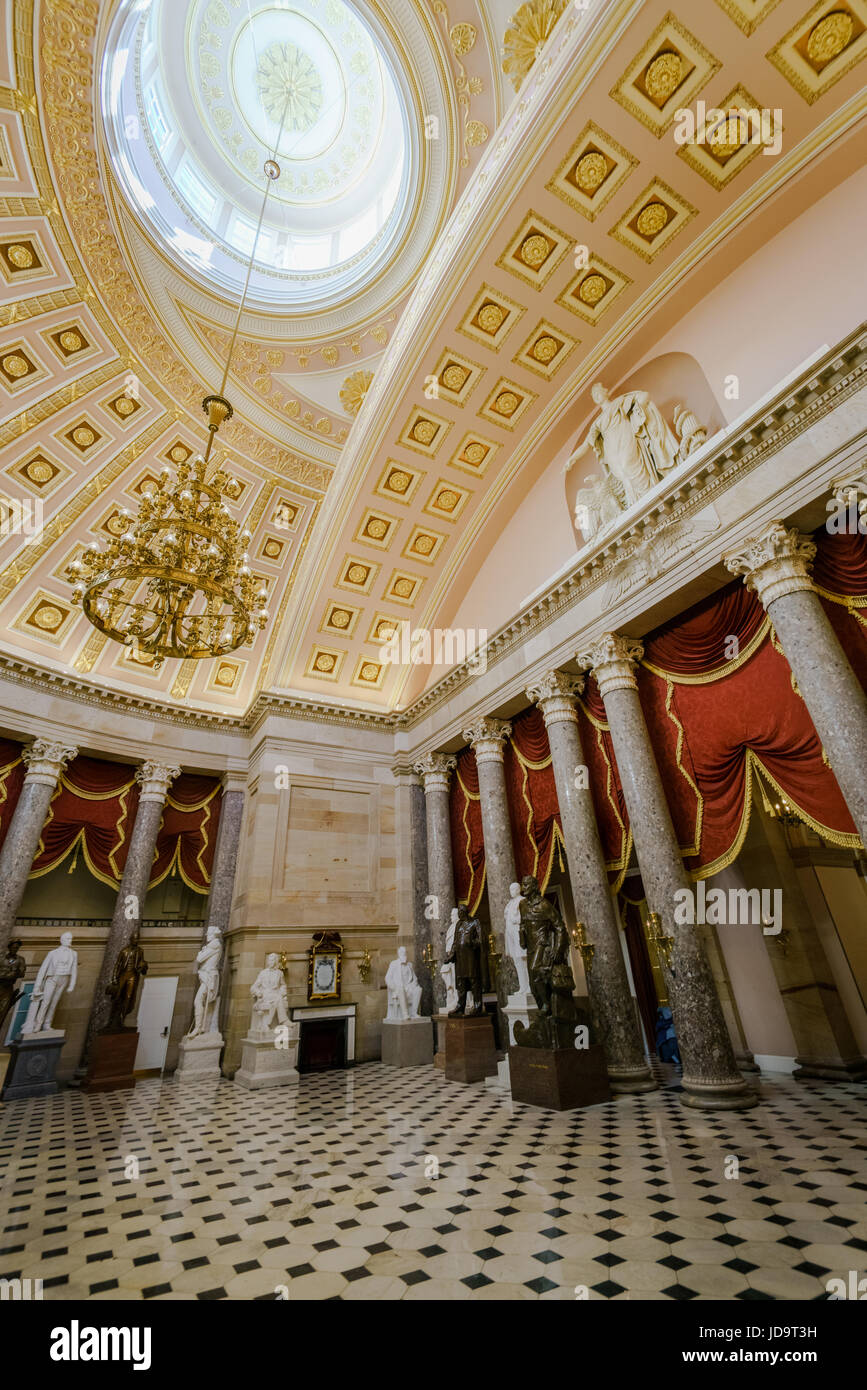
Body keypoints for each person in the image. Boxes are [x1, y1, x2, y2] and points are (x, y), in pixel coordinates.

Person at [24, 932, 78, 1033]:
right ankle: (38, 1024)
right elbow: (42, 970)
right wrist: (37, 986)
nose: (70, 941)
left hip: (64, 979)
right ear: (62, 940)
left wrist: (72, 984)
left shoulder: (74, 953)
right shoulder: (52, 953)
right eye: (68, 939)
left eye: (71, 939)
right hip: (52, 978)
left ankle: (47, 1024)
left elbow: (74, 970)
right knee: (46, 1002)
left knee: (54, 1003)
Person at [105, 927, 148, 1032]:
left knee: (129, 997)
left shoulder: (140, 951)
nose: (136, 941)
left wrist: (143, 965)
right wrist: (114, 978)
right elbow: (118, 965)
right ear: (131, 939)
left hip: (133, 975)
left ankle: (121, 1020)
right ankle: (111, 1021)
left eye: (138, 939)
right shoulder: (124, 951)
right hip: (124, 975)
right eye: (135, 939)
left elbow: (141, 963)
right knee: (117, 997)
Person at [445, 903, 483, 1017]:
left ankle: (477, 1006)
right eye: (458, 913)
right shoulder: (458, 925)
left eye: (460, 913)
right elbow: (455, 942)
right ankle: (460, 1006)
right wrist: (451, 955)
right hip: (460, 958)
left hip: (471, 957)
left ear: (465, 912)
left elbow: (480, 940)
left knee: (473, 981)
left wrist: (470, 942)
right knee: (461, 982)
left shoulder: (474, 922)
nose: (459, 915)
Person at [187, 923, 222, 1037]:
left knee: (198, 1001)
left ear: (213, 935)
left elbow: (199, 958)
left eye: (209, 934)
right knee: (199, 1001)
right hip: (206, 975)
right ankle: (200, 1027)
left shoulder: (215, 944)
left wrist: (202, 951)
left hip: (209, 976)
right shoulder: (212, 945)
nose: (207, 936)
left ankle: (198, 1027)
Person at [250, 953, 289, 1035]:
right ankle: (284, 1020)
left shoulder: (279, 973)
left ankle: (268, 1022)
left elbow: (283, 985)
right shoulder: (262, 973)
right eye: (270, 960)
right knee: (278, 999)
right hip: (265, 994)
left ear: (276, 962)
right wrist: (258, 992)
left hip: (275, 993)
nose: (270, 962)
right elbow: (253, 987)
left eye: (273, 960)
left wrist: (283, 992)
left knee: (278, 998)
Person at [385, 947, 422, 1020]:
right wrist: (394, 987)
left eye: (405, 952)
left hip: (409, 987)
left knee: (418, 989)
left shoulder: (409, 965)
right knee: (400, 989)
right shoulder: (394, 964)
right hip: (398, 987)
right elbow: (387, 978)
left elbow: (415, 978)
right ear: (399, 954)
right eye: (402, 952)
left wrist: (413, 984)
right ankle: (405, 1014)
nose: (404, 954)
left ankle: (414, 1013)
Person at [0, 937, 26, 1034]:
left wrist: (9, 975)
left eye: (17, 948)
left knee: (2, 1011)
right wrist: (9, 974)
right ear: (9, 947)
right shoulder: (1, 958)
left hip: (8, 988)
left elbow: (22, 973)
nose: (15, 949)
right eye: (13, 947)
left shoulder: (20, 960)